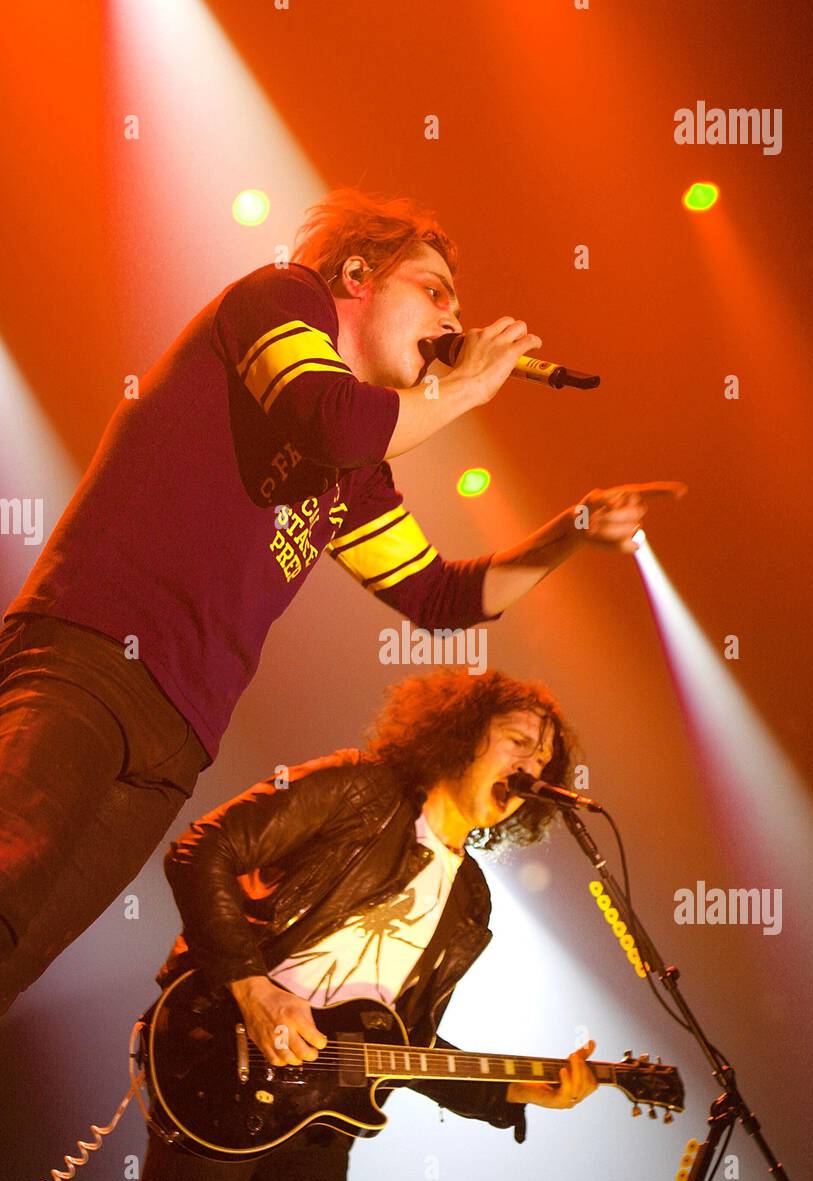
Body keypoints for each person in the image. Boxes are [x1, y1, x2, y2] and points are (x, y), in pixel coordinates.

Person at [0, 185, 681, 1014]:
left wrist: (569, 531)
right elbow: (329, 418)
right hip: (95, 650)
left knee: (21, 952)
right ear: (357, 274)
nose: (449, 319)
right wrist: (463, 390)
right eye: (433, 290)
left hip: (178, 735)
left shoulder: (356, 474)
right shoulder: (280, 297)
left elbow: (437, 595)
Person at [71, 670, 599, 1181]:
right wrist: (252, 989)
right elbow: (200, 849)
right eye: (517, 741)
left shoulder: (468, 901)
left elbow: (408, 1047)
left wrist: (510, 1093)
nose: (532, 767)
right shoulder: (361, 788)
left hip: (320, 1116)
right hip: (220, 1056)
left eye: (544, 758)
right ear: (462, 735)